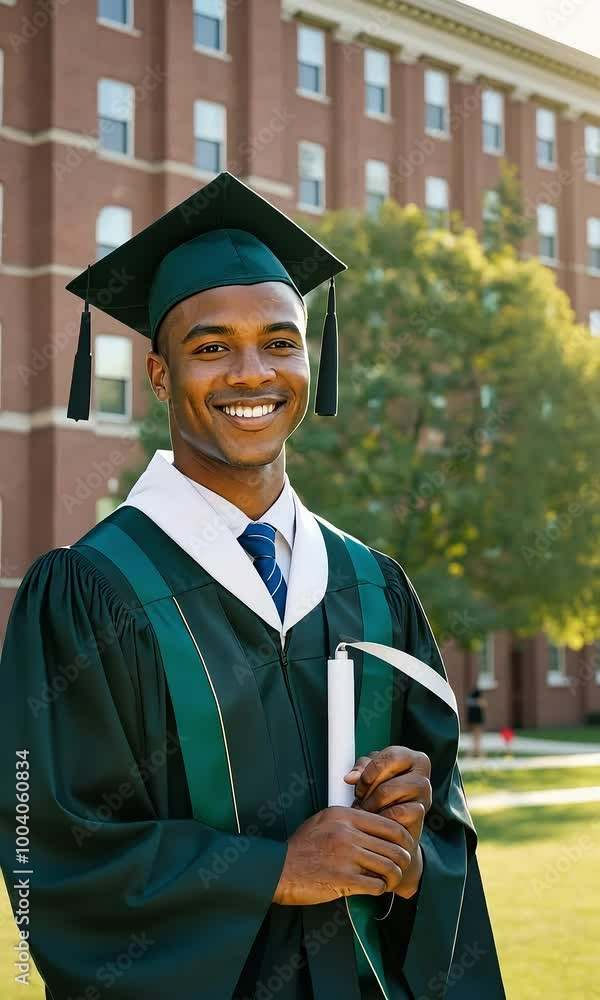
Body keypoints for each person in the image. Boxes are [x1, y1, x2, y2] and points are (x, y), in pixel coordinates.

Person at [0, 172, 504, 1000]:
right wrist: (269, 873)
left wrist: (415, 859)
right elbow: (45, 852)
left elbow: (448, 827)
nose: (251, 373)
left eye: (279, 340)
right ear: (158, 376)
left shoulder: (373, 587)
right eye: (210, 347)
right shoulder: (90, 593)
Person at [466, 687, 487, 759]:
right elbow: (484, 704)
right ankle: (478, 754)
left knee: (474, 738)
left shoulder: (471, 702)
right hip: (477, 722)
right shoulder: (478, 702)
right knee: (477, 739)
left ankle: (474, 754)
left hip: (473, 721)